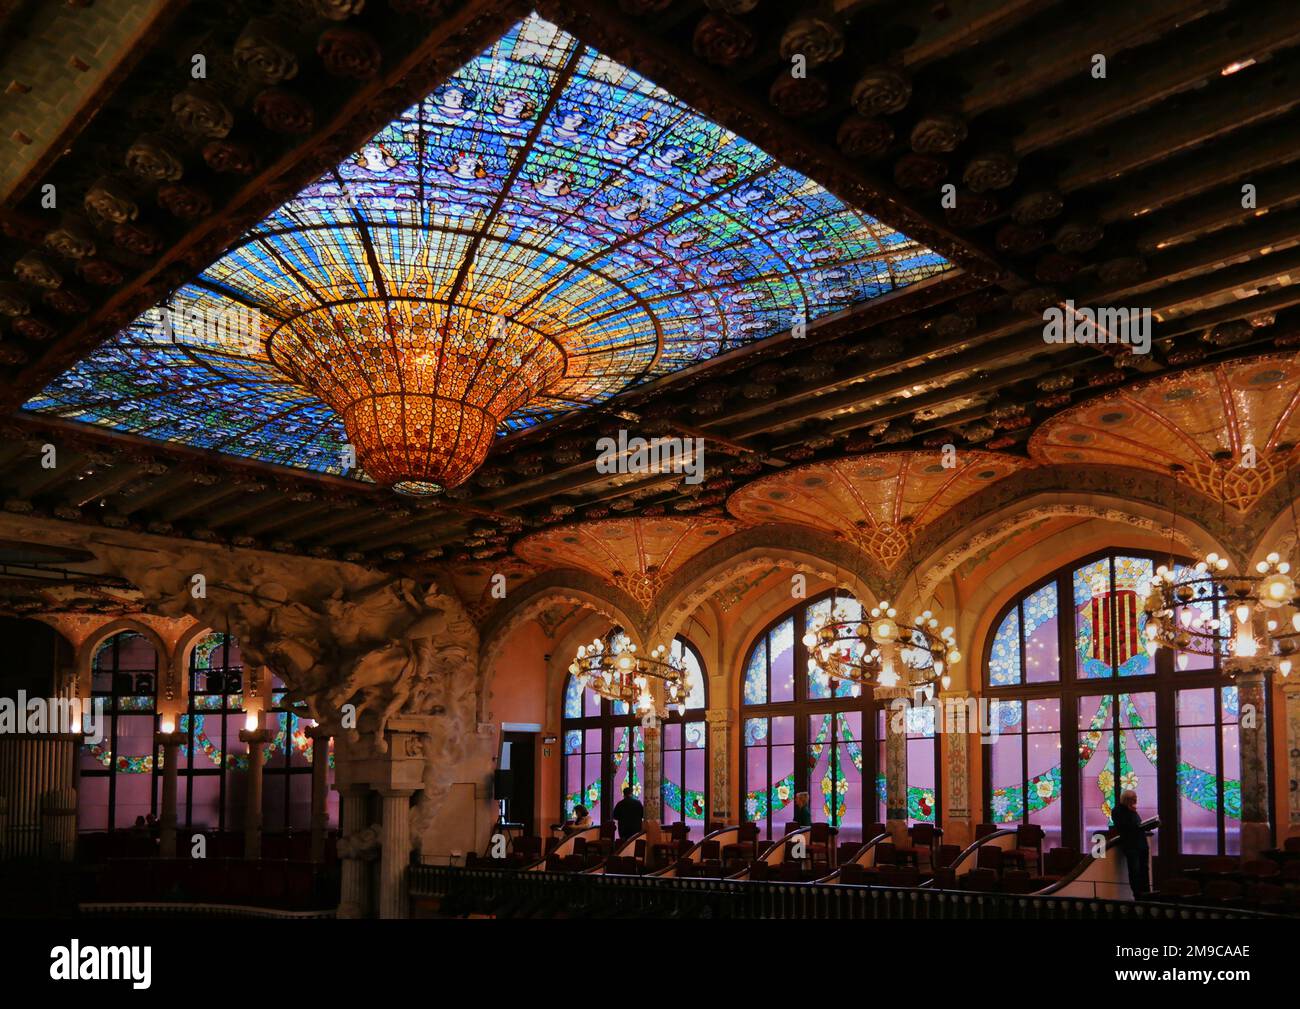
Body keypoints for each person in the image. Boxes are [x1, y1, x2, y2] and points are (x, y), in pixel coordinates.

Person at [1112, 789, 1153, 897]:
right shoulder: (1118, 811)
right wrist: (1131, 813)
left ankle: (1147, 893)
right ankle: (1138, 894)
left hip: (1142, 844)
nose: (1136, 801)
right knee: (1135, 870)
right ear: (1127, 800)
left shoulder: (1133, 810)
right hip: (1131, 845)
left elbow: (1138, 825)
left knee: (1144, 869)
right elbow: (1125, 827)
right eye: (1134, 799)